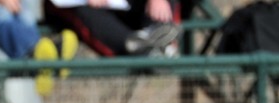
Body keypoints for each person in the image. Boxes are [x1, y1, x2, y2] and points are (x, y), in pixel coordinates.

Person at [43, 0, 181, 58]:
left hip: (123, 7)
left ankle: (157, 38)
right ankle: (144, 48)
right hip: (82, 7)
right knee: (85, 13)